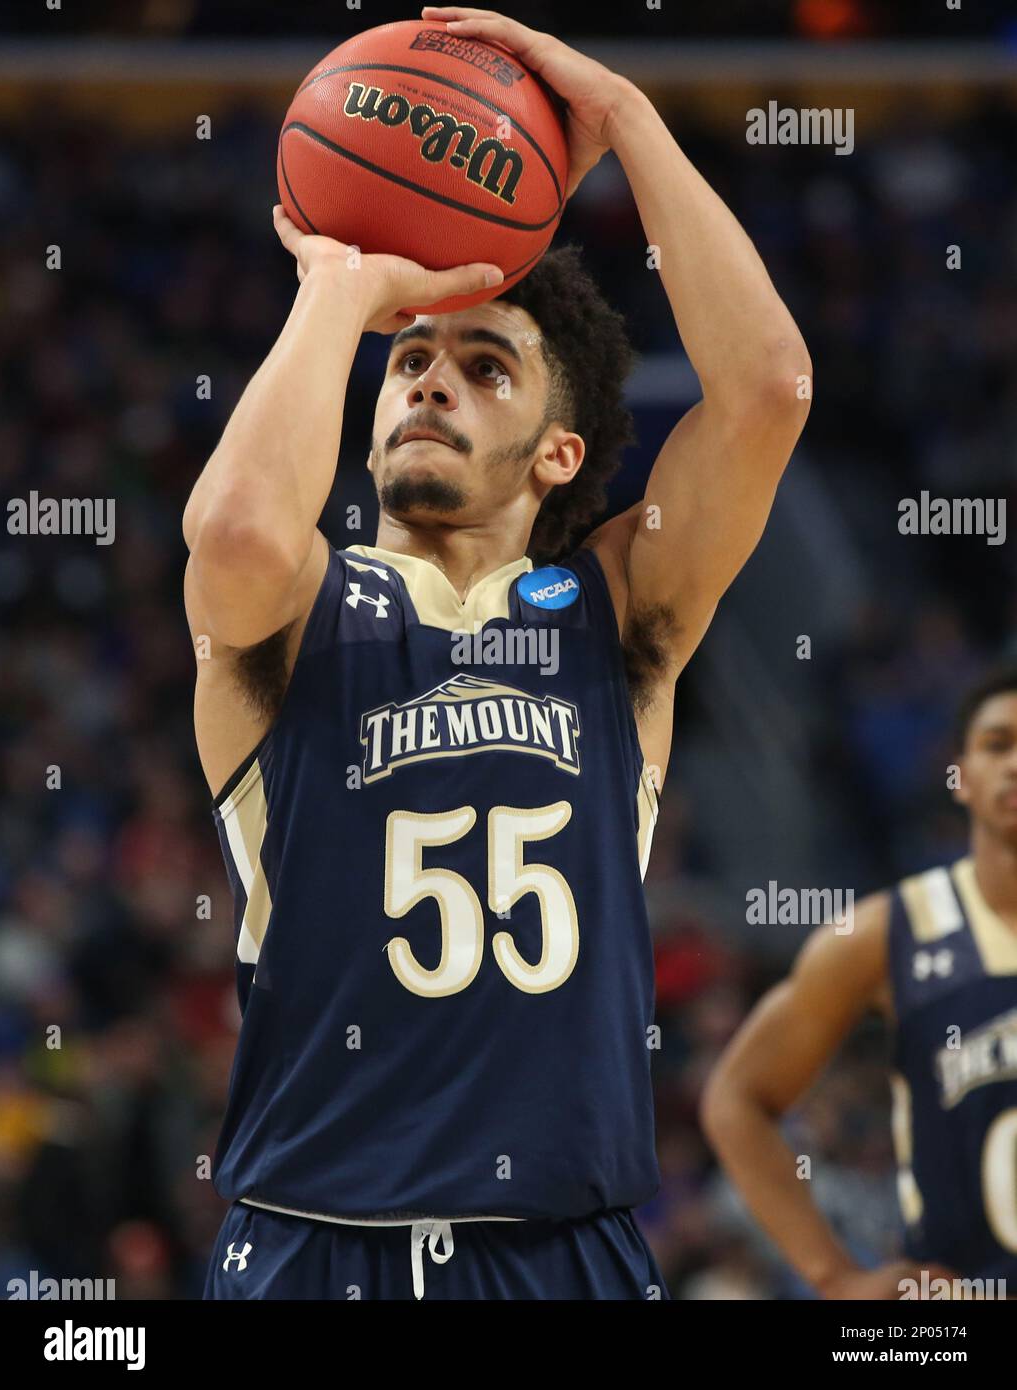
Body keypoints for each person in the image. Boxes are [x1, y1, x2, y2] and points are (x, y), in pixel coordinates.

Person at [184, 6, 810, 1300]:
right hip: (308, 1240)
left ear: (559, 452)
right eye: (409, 362)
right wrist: (342, 286)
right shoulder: (298, 612)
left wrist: (629, 117)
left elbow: (765, 394)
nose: (427, 381)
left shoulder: (616, 611)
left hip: (559, 1249)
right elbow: (241, 522)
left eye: (481, 365)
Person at [701, 667, 1017, 1299]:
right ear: (959, 775)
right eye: (996, 744)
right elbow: (737, 1098)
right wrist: (835, 1275)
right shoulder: (885, 933)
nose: (1016, 763)